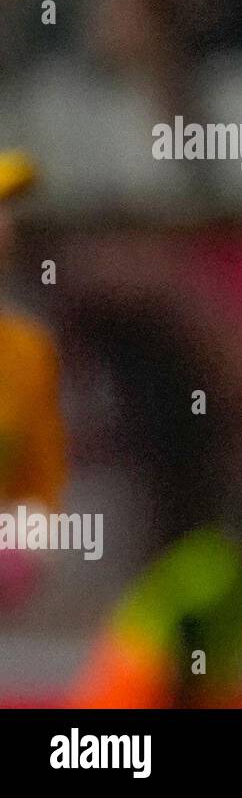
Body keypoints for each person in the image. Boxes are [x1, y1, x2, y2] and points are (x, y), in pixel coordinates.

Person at [0, 149, 68, 608]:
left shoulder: (29, 351)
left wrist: (25, 545)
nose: (6, 225)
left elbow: (39, 495)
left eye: (7, 210)